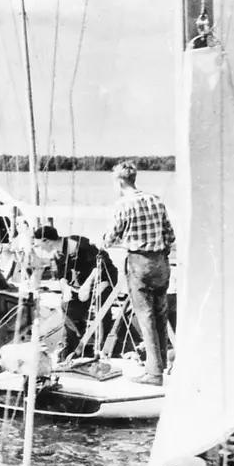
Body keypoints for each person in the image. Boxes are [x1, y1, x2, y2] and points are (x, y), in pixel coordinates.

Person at [101, 161, 177, 385]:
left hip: (139, 262)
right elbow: (170, 236)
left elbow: (111, 238)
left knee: (145, 317)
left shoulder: (123, 204)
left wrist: (104, 240)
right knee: (160, 315)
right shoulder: (155, 200)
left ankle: (153, 374)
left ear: (119, 181)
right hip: (161, 262)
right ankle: (161, 366)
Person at [33, 225, 120, 363]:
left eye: (40, 245)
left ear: (47, 240)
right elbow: (62, 276)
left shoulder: (79, 245)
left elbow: (100, 265)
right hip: (81, 284)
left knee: (100, 309)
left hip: (103, 279)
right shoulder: (57, 253)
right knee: (67, 308)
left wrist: (87, 286)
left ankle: (103, 349)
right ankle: (73, 347)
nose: (40, 249)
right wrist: (66, 288)